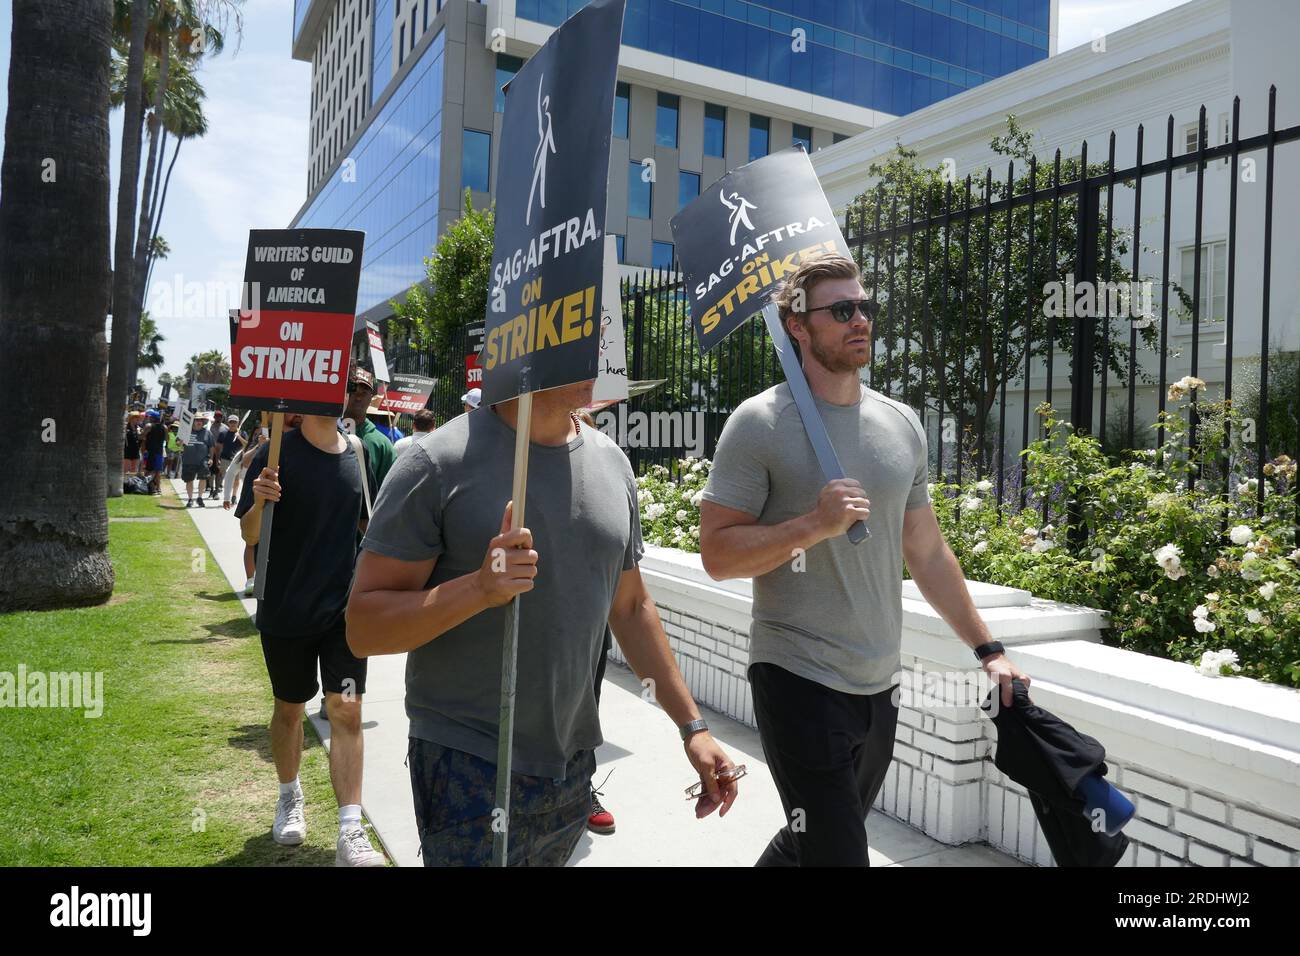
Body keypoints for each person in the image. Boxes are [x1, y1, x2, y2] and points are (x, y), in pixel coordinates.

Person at [698, 252, 1030, 867]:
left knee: (814, 839)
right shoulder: (759, 424)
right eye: (842, 310)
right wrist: (813, 525)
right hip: (796, 675)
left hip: (879, 684)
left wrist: (989, 650)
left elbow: (925, 550)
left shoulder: (899, 422)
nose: (861, 321)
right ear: (797, 324)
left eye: (866, 308)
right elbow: (717, 555)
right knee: (841, 854)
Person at [346, 377, 740, 867]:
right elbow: (363, 627)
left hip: (571, 761)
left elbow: (631, 606)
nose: (596, 351)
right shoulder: (435, 463)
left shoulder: (611, 462)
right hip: (467, 760)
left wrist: (692, 727)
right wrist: (477, 589)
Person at [235, 409, 384, 866]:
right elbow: (249, 533)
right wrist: (259, 501)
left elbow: (368, 526)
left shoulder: (357, 453)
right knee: (289, 708)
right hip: (286, 608)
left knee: (348, 709)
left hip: (343, 614)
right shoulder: (274, 453)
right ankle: (289, 795)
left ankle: (350, 829)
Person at [342, 367, 396, 489]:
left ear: (371, 397)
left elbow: (389, 491)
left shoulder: (382, 445)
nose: (358, 397)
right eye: (353, 391)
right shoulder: (326, 433)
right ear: (344, 394)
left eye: (364, 393)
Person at [180, 412, 217, 508]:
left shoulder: (207, 433)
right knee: (189, 480)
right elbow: (178, 443)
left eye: (201, 420)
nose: (199, 422)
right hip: (188, 460)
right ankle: (190, 499)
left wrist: (211, 459)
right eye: (197, 420)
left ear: (203, 422)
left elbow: (212, 446)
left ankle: (200, 498)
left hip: (203, 460)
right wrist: (180, 442)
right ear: (193, 421)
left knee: (203, 478)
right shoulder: (186, 431)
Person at [141, 410, 166, 495]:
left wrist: (139, 433)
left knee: (148, 471)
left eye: (149, 417)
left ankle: (151, 489)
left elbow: (141, 436)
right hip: (159, 452)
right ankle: (158, 488)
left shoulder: (148, 426)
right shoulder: (164, 427)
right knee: (158, 471)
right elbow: (167, 439)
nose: (148, 418)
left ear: (152, 418)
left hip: (150, 452)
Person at [122, 411, 142, 479]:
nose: (138, 419)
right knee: (126, 470)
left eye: (138, 418)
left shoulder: (139, 429)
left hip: (136, 452)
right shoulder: (125, 428)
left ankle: (132, 485)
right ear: (131, 418)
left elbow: (141, 439)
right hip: (127, 451)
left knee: (134, 471)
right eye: (136, 418)